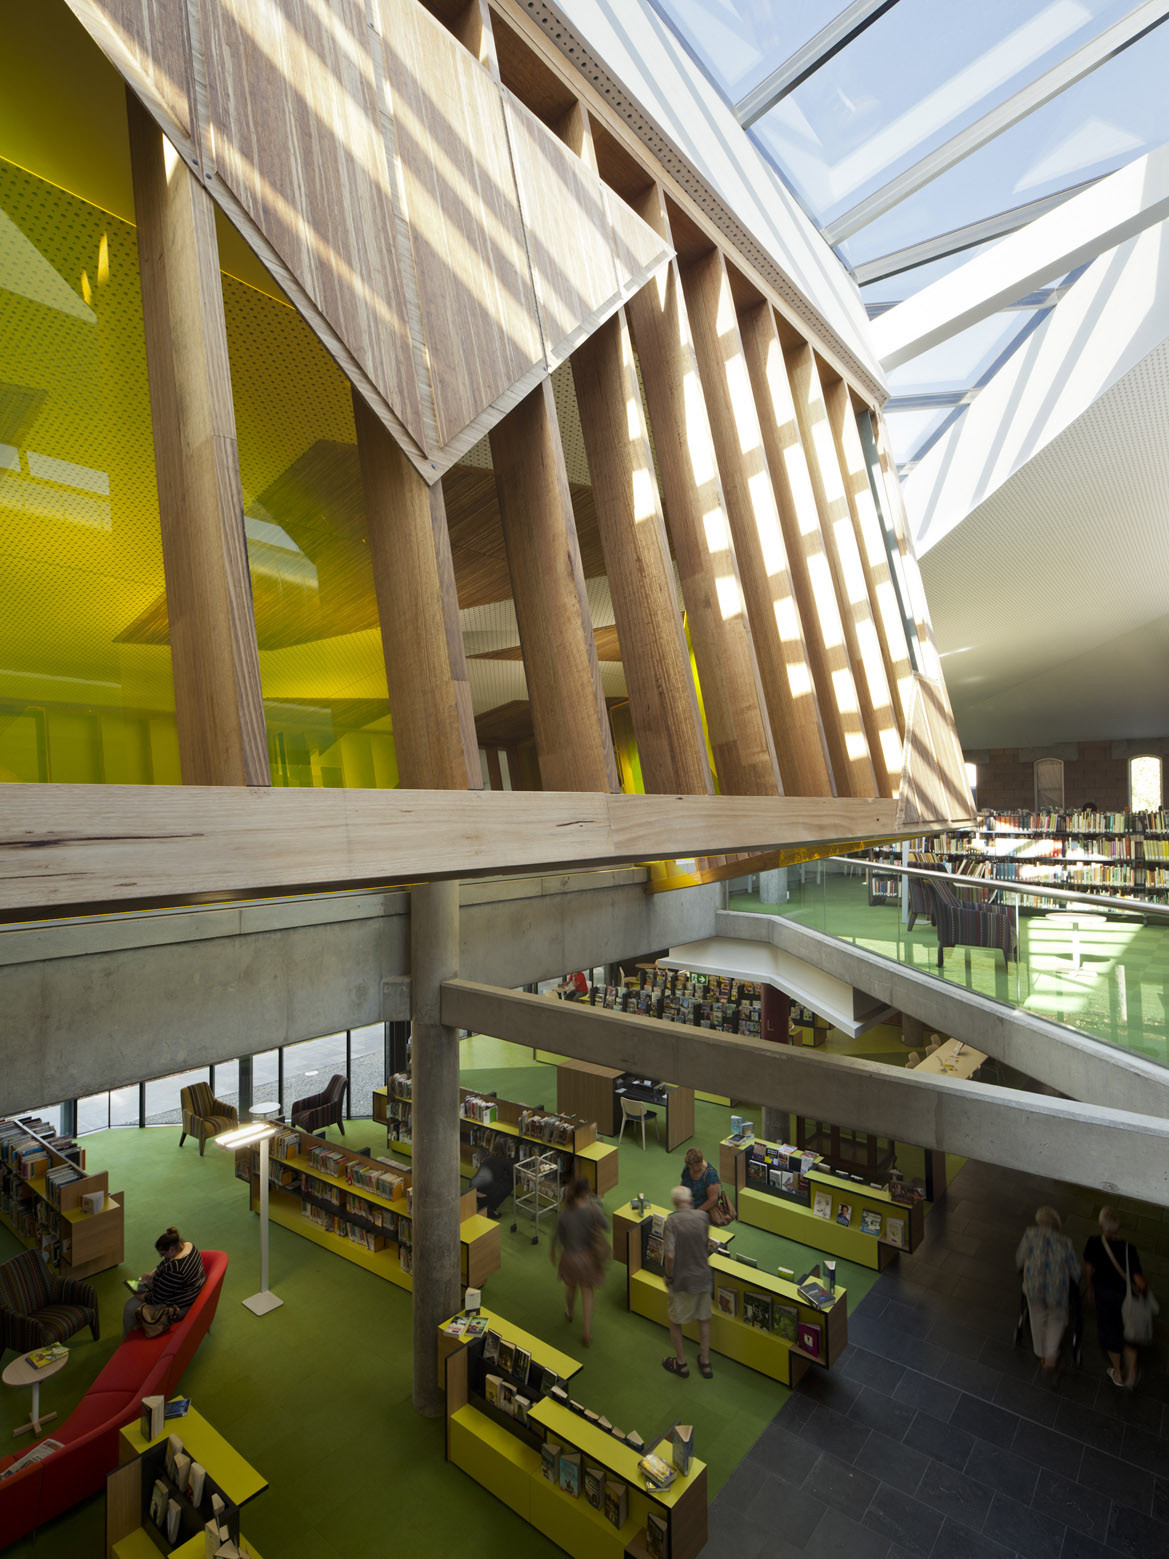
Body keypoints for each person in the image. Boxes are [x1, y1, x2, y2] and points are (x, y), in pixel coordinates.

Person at [1083, 1206, 1148, 1388]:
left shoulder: (1094, 1243)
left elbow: (1088, 1270)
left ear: (1101, 1224)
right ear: (1118, 1227)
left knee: (1110, 1334)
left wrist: (1090, 1288)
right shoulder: (1129, 1250)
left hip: (1104, 1297)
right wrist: (1143, 1295)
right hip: (1125, 1298)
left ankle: (1118, 1373)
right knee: (1130, 1334)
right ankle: (1132, 1372)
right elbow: (1140, 1282)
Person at [1015, 1206, 1080, 1384]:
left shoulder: (1030, 1235)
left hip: (1033, 1287)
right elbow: (1076, 1271)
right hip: (1056, 1290)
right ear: (1056, 1225)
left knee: (1037, 1317)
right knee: (1057, 1318)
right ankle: (1051, 1354)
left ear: (1039, 1221)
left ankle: (1042, 1354)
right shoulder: (1065, 1242)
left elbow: (1019, 1258)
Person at [550, 1176, 609, 1346]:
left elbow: (558, 1235)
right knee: (587, 1292)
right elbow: (606, 1226)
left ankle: (569, 1311)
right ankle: (587, 1331)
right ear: (586, 1192)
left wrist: (553, 1250)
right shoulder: (593, 1209)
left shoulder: (565, 1212)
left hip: (569, 1257)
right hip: (588, 1258)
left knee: (570, 1287)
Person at [662, 1185, 713, 1379]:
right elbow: (705, 1243)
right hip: (703, 1277)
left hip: (681, 1280)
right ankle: (705, 1362)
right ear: (690, 1200)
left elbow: (669, 1255)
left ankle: (681, 1363)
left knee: (675, 1321)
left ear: (675, 1203)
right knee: (703, 1319)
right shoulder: (703, 1217)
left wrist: (669, 1276)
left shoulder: (672, 1221)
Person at [123, 1226, 206, 1339]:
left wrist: (136, 1293)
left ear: (171, 1249)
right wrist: (151, 1275)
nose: (162, 1256)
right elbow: (165, 1263)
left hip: (179, 1303)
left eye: (163, 1254)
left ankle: (127, 1338)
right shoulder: (187, 1245)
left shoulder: (176, 1269)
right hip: (189, 1288)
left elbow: (156, 1298)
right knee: (143, 1284)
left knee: (129, 1306)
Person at [470, 1135, 513, 1220]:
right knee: (510, 1185)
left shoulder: (486, 1159)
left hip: (473, 1191)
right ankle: (491, 1209)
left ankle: (482, 1205)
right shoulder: (505, 1162)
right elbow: (513, 1178)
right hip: (487, 1195)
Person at [681, 1146, 720, 1218]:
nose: (691, 1168)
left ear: (699, 1163)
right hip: (688, 1208)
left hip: (704, 1212)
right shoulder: (688, 1166)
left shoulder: (710, 1175)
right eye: (689, 1166)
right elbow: (683, 1183)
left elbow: (713, 1199)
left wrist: (696, 1213)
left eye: (692, 1167)